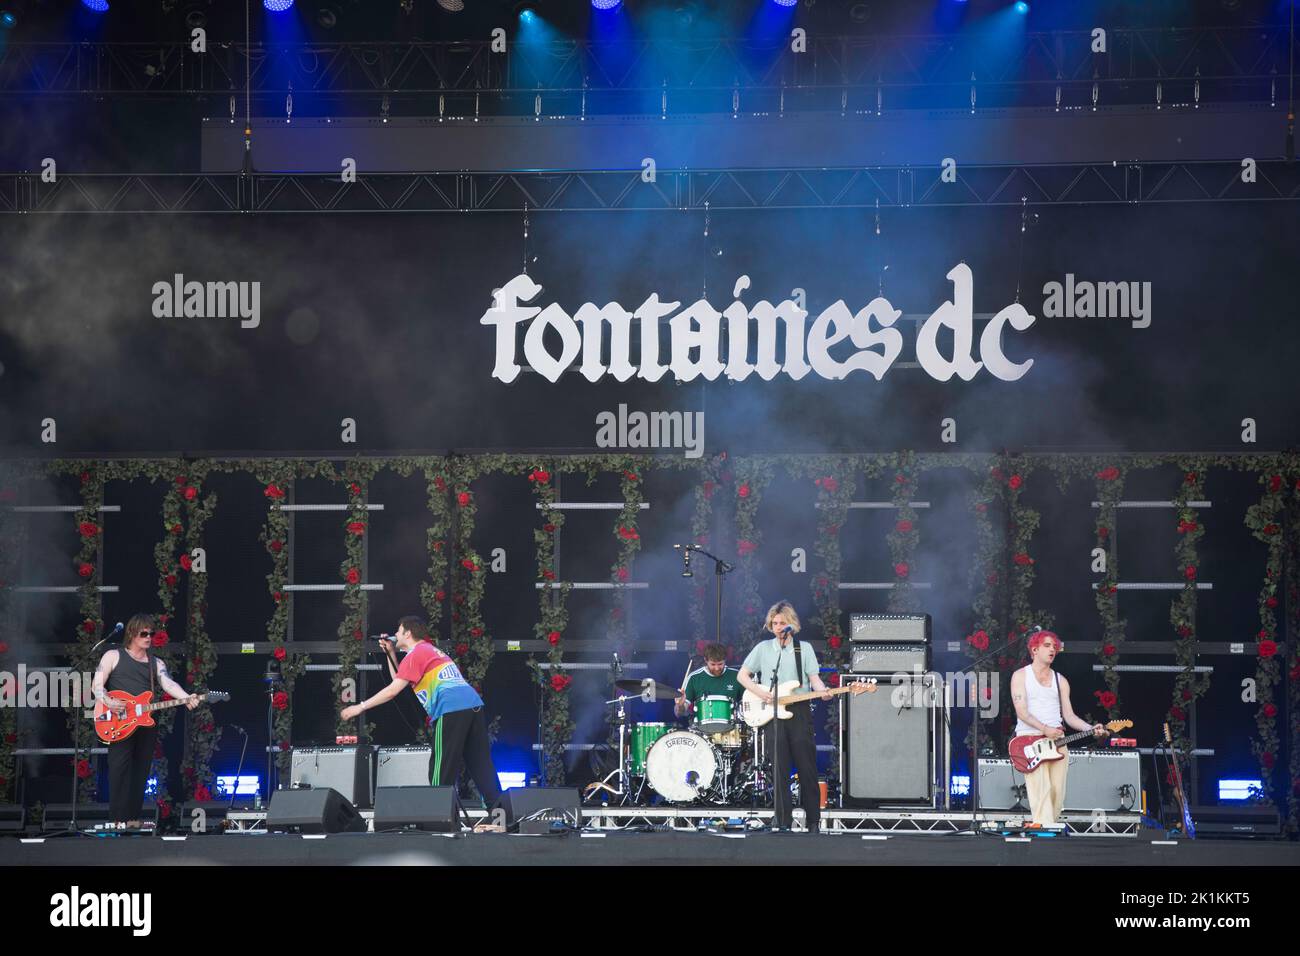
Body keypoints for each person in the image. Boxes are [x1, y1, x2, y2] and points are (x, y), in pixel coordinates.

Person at [341, 616, 501, 813]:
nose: (396, 635)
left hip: (451, 708)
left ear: (408, 633)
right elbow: (400, 679)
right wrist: (390, 652)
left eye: (398, 631)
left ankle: (438, 816)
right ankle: (502, 816)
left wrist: (360, 707)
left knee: (440, 767)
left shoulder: (416, 653)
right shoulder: (427, 650)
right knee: (480, 765)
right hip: (473, 705)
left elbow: (392, 691)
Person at [92, 613, 199, 830]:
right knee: (119, 769)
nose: (148, 637)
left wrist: (186, 696)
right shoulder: (113, 655)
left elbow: (168, 684)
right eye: (144, 633)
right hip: (118, 719)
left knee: (141, 770)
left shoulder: (156, 663)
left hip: (145, 722)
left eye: (151, 633)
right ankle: (116, 819)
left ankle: (132, 819)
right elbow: (97, 685)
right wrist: (109, 701)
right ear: (132, 633)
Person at [736, 601, 832, 833]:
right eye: (775, 623)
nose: (778, 627)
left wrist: (823, 691)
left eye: (782, 623)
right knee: (778, 769)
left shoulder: (804, 648)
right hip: (772, 714)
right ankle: (782, 821)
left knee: (806, 767)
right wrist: (762, 693)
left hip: (799, 711)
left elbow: (814, 678)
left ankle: (813, 821)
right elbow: (743, 675)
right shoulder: (763, 648)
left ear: (792, 624)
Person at [1009, 629, 1110, 827]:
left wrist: (1091, 728)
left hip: (1057, 742)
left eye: (1054, 646)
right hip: (1030, 741)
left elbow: (1069, 716)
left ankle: (1048, 828)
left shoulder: (1060, 680)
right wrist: (1044, 728)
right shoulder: (1020, 676)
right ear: (1034, 649)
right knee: (1041, 790)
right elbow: (1022, 712)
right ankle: (1044, 831)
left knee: (1056, 792)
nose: (1052, 650)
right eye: (1047, 646)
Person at [675, 642, 743, 721]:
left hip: (733, 729)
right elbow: (678, 713)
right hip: (702, 730)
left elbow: (747, 705)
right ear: (705, 660)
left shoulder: (738, 676)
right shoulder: (694, 678)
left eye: (720, 664)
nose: (717, 668)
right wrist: (679, 705)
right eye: (713, 664)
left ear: (725, 660)